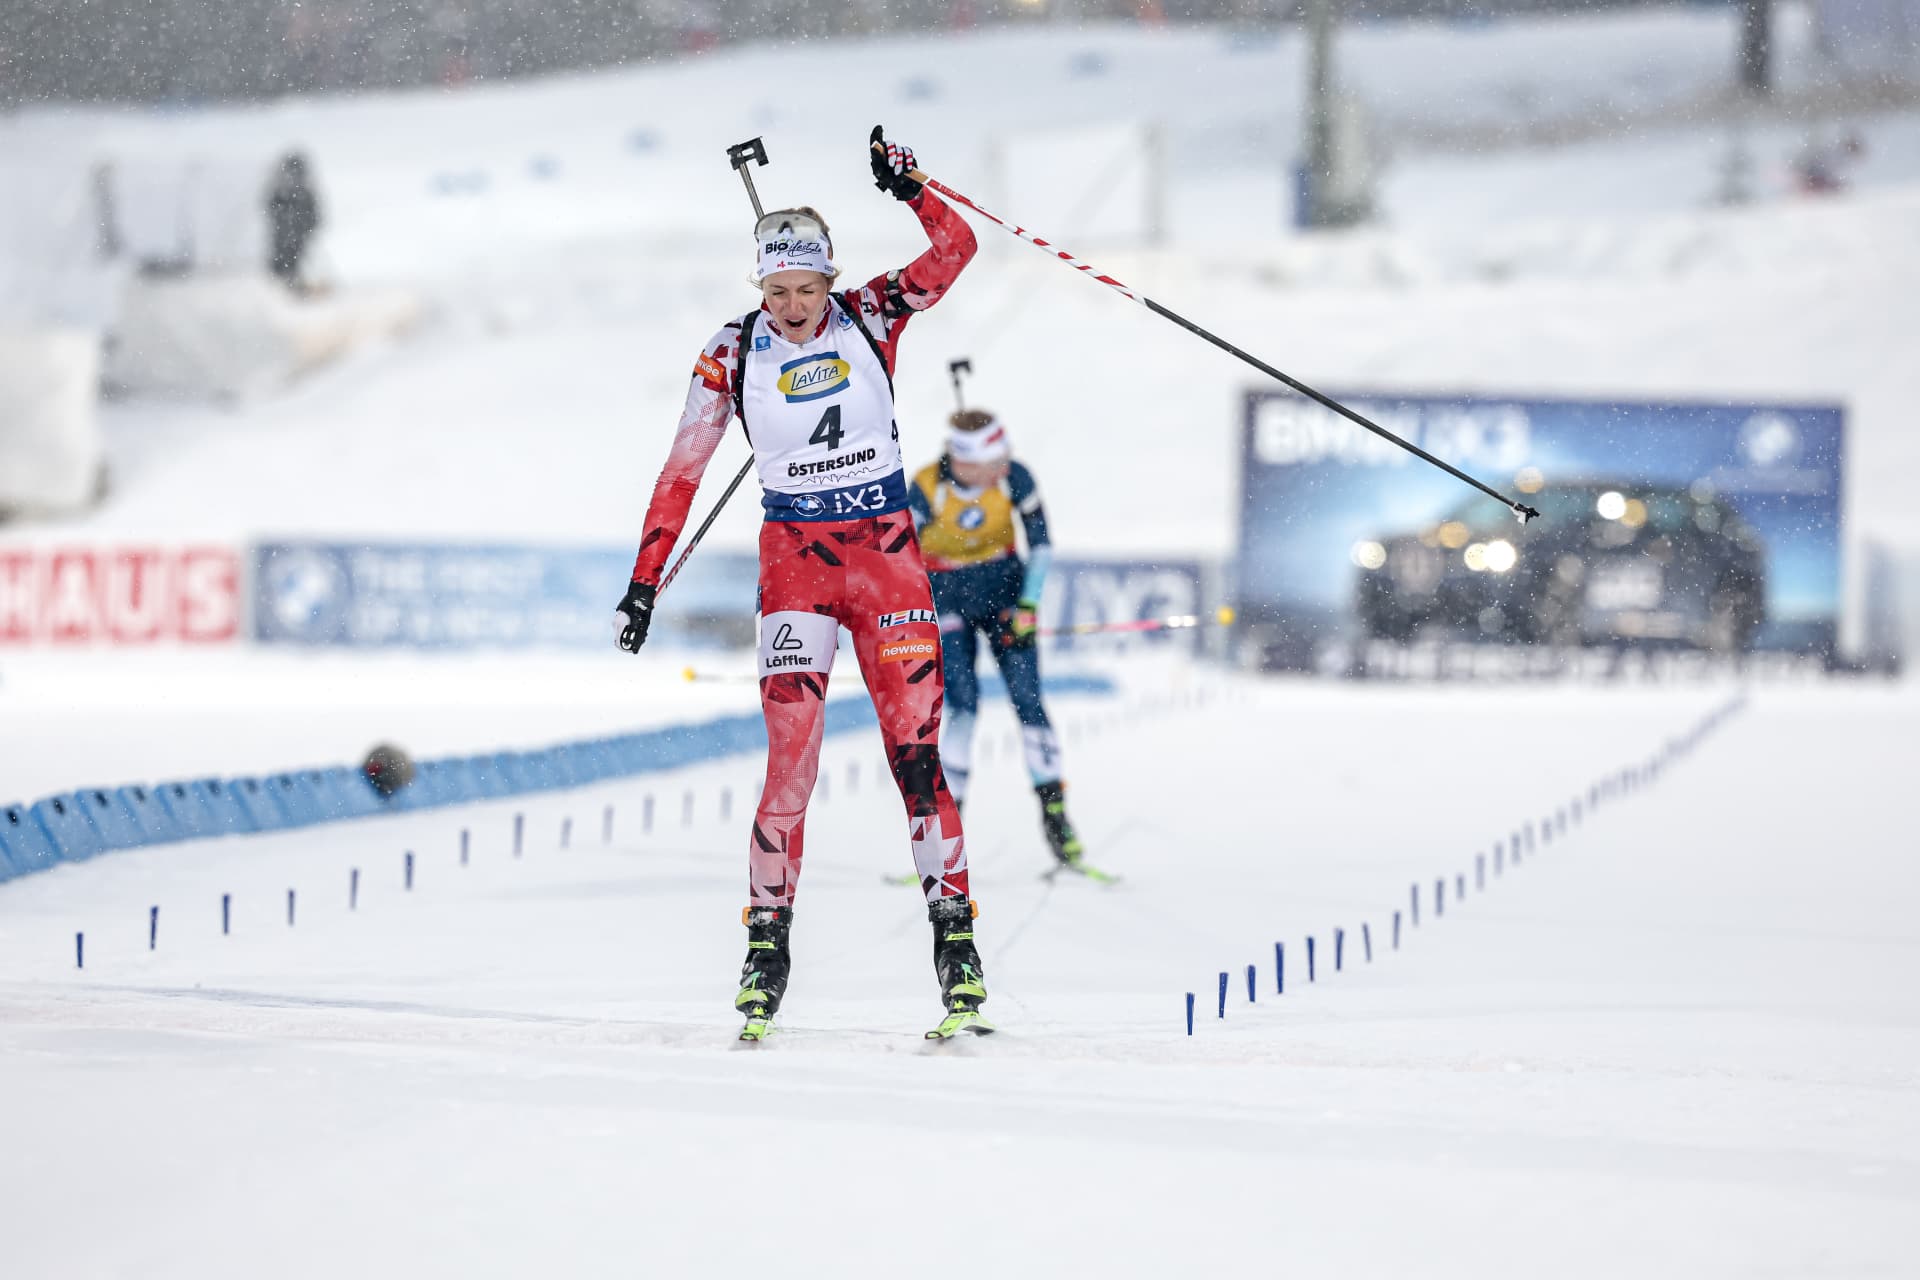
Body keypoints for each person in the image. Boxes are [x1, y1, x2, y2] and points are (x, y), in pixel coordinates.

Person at [613, 127, 990, 1039]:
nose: (789, 307)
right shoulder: (731, 351)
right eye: (774, 290)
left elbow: (956, 252)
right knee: (793, 762)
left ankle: (958, 951)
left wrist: (913, 185)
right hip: (797, 569)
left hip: (888, 558)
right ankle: (765, 952)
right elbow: (683, 470)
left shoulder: (871, 315)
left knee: (917, 757)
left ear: (828, 279)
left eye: (803, 288)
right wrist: (644, 581)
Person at [907, 410, 1085, 871]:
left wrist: (1028, 605)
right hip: (946, 594)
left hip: (1005, 588)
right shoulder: (927, 486)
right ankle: (943, 841)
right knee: (963, 706)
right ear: (964, 461)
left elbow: (1042, 545)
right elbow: (900, 554)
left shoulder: (1015, 477)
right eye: (994, 461)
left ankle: (1057, 823)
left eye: (1004, 457)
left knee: (1029, 702)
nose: (1003, 467)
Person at [265, 150, 321, 291]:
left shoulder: (303, 192)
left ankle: (292, 286)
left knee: (294, 261)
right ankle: (283, 287)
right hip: (285, 235)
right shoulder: (281, 191)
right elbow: (271, 209)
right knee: (282, 262)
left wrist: (308, 227)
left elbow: (314, 214)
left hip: (296, 235)